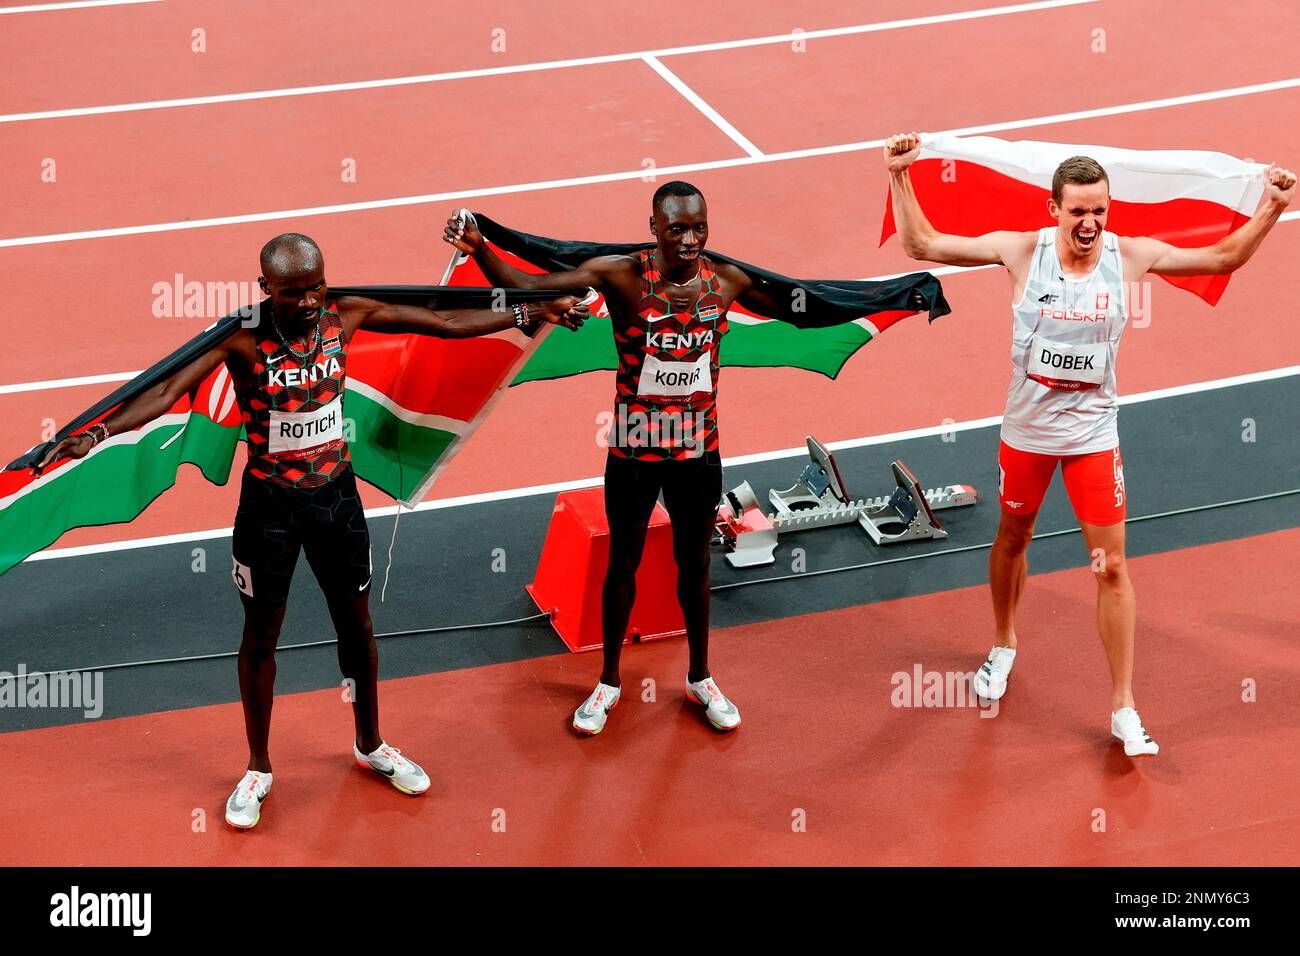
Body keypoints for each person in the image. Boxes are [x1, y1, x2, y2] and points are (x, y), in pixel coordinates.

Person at [35, 233, 587, 827]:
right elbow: (168, 389)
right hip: (268, 513)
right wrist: (95, 435)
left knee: (357, 626)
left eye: (314, 287)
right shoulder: (243, 339)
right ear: (264, 288)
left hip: (336, 504)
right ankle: (258, 767)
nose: (305, 302)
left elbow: (442, 320)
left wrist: (532, 310)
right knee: (261, 637)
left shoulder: (345, 315)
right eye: (291, 292)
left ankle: (371, 743)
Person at [883, 131, 1295, 757]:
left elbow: (1222, 258)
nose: (1090, 222)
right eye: (1078, 211)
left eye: (1099, 210)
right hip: (1026, 435)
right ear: (1054, 210)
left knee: (1113, 566)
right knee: (1013, 539)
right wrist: (901, 175)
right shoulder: (1022, 252)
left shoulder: (1127, 257)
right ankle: (1002, 644)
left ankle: (1124, 708)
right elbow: (923, 243)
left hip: (1093, 438)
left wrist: (1269, 206)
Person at [445, 183, 791, 735]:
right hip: (634, 449)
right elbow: (530, 288)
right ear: (653, 228)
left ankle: (701, 677)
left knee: (696, 565)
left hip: (698, 452)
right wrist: (482, 249)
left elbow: (809, 303)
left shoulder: (725, 281)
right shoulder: (621, 275)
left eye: (699, 227)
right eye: (676, 228)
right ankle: (607, 682)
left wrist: (886, 298)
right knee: (622, 564)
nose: (690, 239)